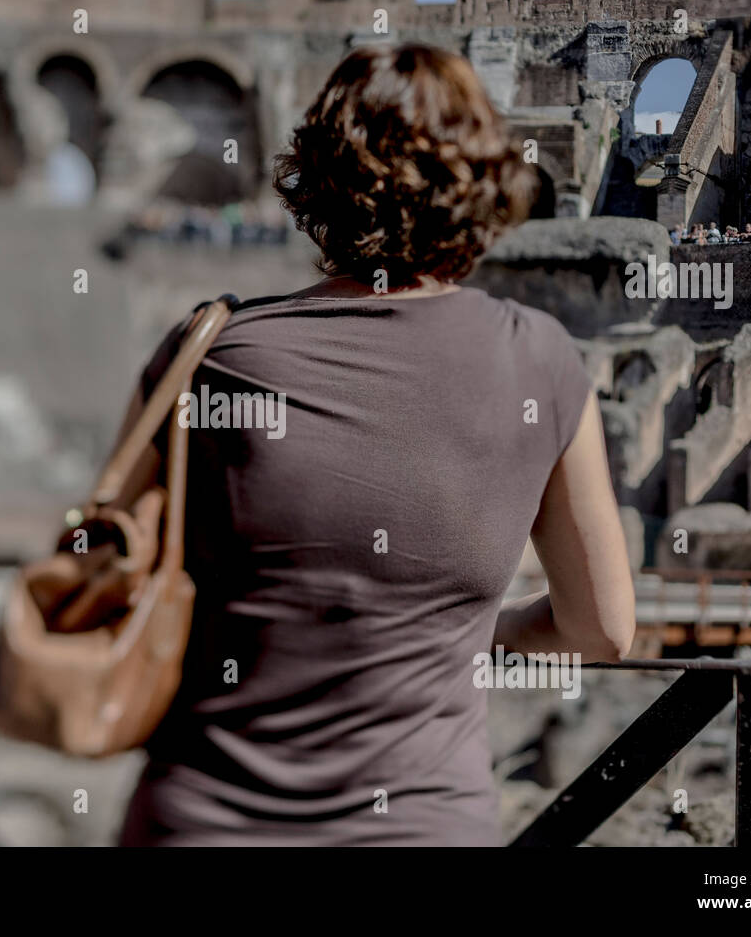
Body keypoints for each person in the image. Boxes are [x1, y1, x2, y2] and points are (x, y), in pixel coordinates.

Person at [113, 43, 636, 847]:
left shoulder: (210, 353)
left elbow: (107, 549)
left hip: (205, 822)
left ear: (318, 181)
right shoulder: (541, 359)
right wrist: (465, 634)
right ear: (486, 185)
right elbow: (601, 628)